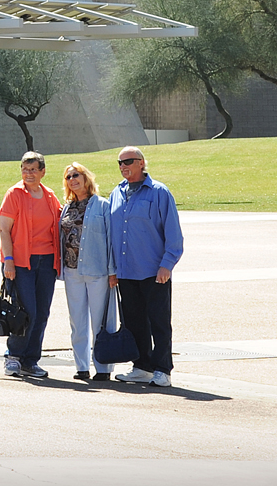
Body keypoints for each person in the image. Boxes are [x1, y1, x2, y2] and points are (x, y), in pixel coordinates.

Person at [109, 146, 184, 387]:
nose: (123, 167)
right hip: (126, 272)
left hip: (154, 271)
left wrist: (167, 265)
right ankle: (142, 366)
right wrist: (112, 269)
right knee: (134, 321)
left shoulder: (159, 192)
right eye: (120, 163)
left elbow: (173, 234)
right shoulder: (116, 194)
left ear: (141, 163)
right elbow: (111, 234)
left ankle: (163, 370)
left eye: (128, 161)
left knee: (159, 321)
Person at [0, 151, 61, 378]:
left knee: (42, 312)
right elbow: (4, 229)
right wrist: (9, 261)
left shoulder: (50, 196)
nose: (29, 173)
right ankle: (13, 356)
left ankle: (31, 361)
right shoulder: (15, 194)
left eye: (33, 169)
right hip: (22, 262)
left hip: (47, 262)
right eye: (25, 169)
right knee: (26, 312)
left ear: (43, 171)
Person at [58, 162, 115, 381]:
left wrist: (112, 271)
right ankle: (81, 366)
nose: (73, 179)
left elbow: (111, 239)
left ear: (86, 177)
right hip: (72, 272)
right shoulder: (67, 207)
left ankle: (103, 367)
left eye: (76, 175)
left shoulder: (101, 205)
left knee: (101, 320)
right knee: (77, 321)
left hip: (97, 271)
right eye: (68, 177)